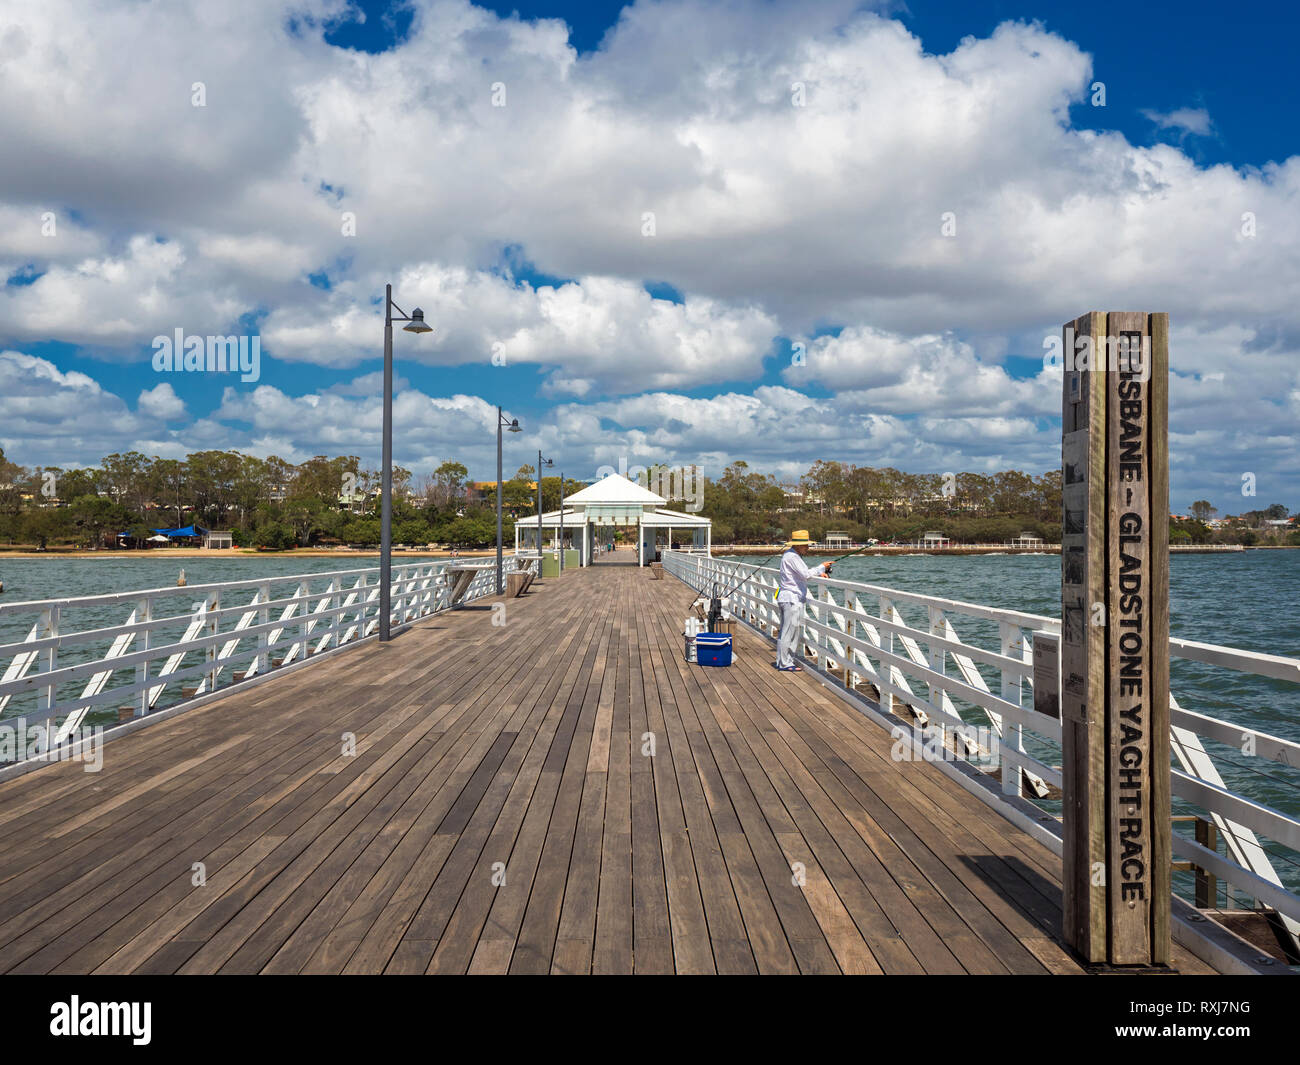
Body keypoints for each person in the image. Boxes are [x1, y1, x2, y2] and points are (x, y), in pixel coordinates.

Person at [775, 530, 832, 672]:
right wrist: (822, 567)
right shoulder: (792, 557)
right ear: (798, 545)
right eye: (806, 545)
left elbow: (799, 575)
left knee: (787, 631)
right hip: (791, 599)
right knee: (789, 632)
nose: (808, 548)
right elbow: (806, 574)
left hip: (788, 598)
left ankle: (784, 661)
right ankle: (784, 663)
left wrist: (821, 572)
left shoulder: (791, 555)